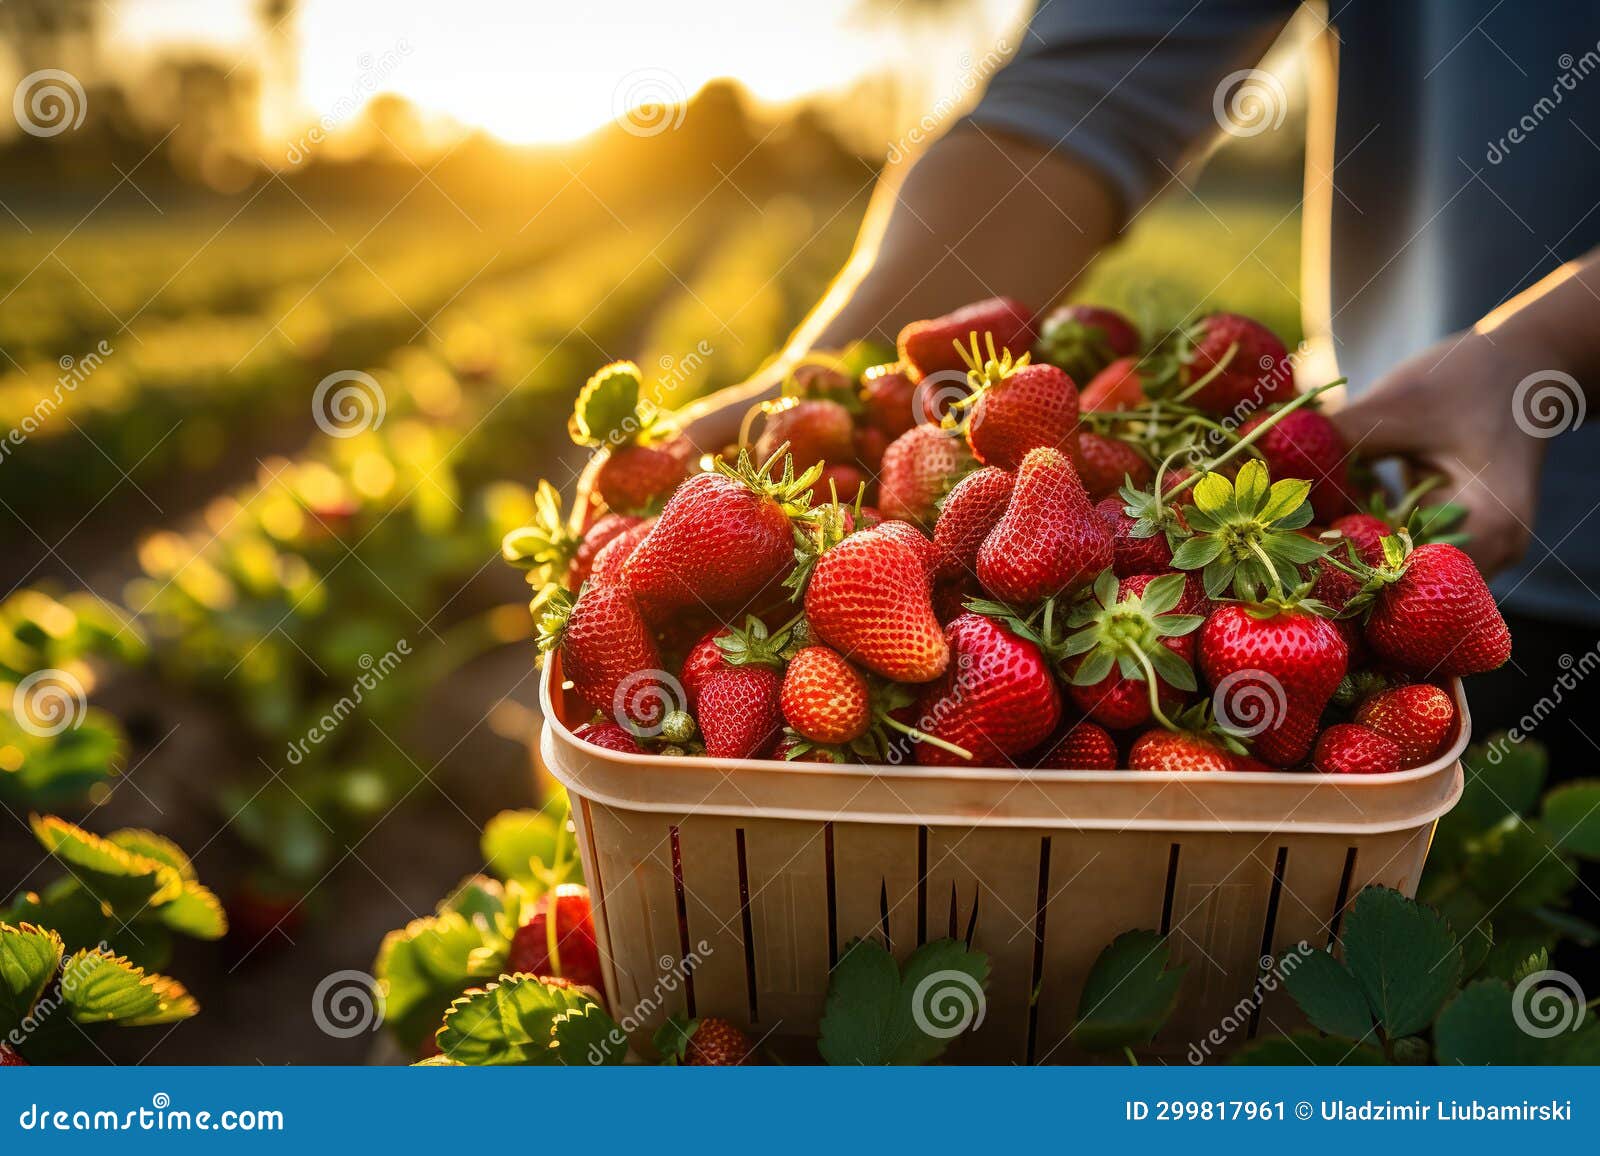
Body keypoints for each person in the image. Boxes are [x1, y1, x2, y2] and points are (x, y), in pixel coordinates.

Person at [748, 1, 1600, 786]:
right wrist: (820, 379)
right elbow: (1089, 94)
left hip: (1408, 570)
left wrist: (1542, 350)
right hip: (1397, 532)